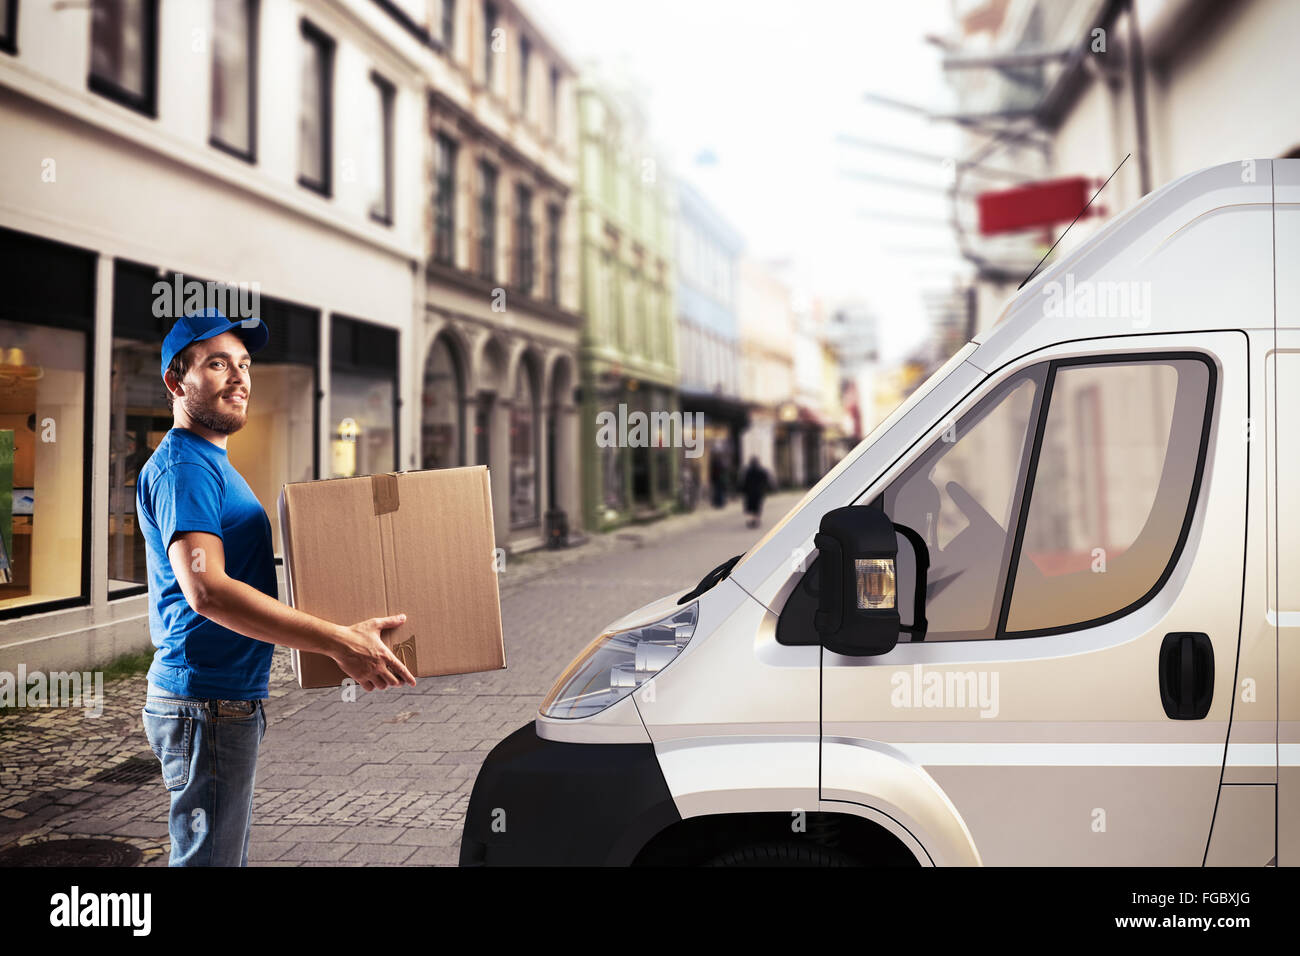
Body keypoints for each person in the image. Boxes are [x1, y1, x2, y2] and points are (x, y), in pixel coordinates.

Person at [137, 308, 416, 867]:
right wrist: (336, 640)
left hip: (224, 697)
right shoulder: (186, 468)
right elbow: (207, 591)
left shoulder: (210, 461)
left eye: (243, 364)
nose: (239, 377)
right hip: (205, 699)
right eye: (217, 364)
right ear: (176, 380)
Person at [741, 456, 773, 529]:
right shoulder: (762, 470)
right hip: (759, 492)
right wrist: (767, 489)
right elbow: (766, 481)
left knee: (750, 507)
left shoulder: (747, 471)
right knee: (757, 506)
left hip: (749, 492)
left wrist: (742, 490)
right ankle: (756, 520)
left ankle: (751, 520)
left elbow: (743, 482)